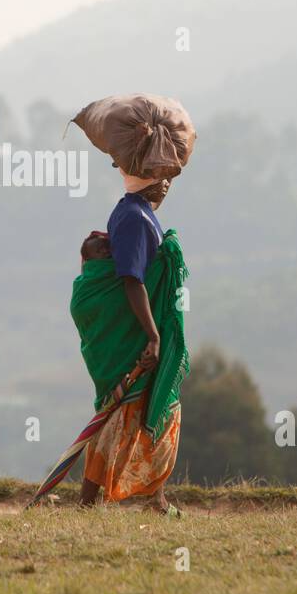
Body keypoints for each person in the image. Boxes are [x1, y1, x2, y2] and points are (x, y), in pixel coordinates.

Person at [75, 172, 189, 515]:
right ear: (142, 177)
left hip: (135, 334)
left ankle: (145, 500)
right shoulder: (134, 219)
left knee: (127, 416)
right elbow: (132, 280)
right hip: (136, 337)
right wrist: (153, 337)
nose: (167, 182)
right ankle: (136, 501)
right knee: (135, 416)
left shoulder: (137, 212)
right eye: (160, 174)